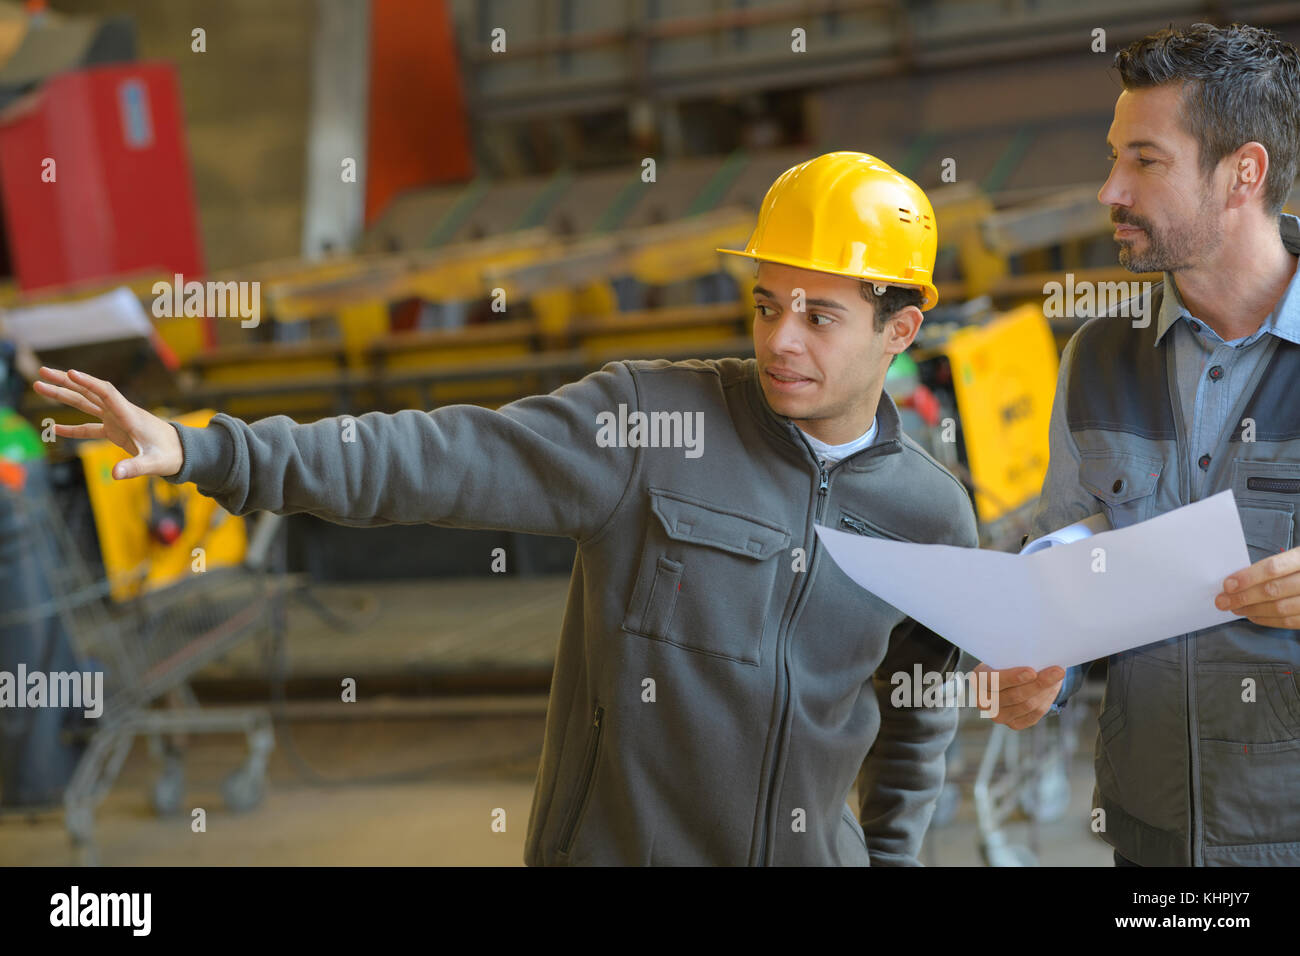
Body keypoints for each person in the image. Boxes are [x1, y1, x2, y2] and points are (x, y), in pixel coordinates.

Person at [33, 151, 979, 866]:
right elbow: (436, 458)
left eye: (820, 315)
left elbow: (916, 719)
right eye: (768, 303)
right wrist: (208, 446)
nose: (781, 339)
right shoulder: (652, 422)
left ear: (901, 328)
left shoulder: (929, 516)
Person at [984, 23, 1300, 867]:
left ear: (1245, 172)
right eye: (1115, 156)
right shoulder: (1097, 356)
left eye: (1146, 161)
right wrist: (1030, 671)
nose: (1109, 189)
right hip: (1146, 840)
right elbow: (1062, 560)